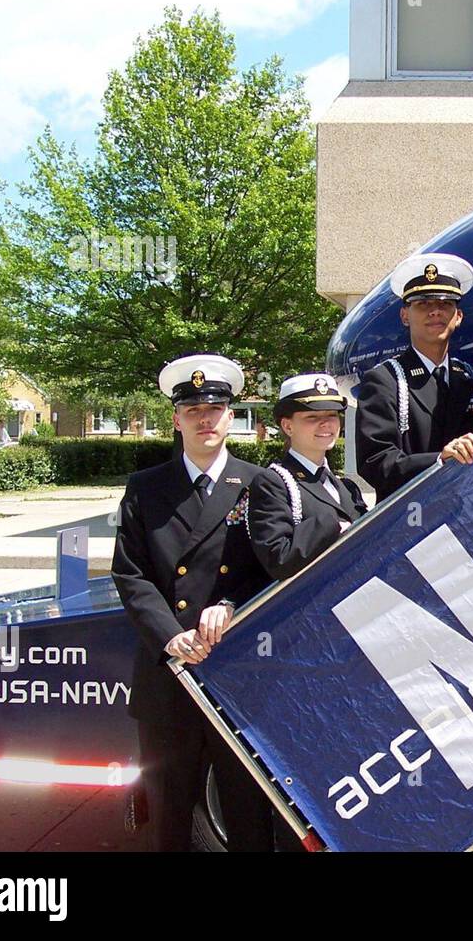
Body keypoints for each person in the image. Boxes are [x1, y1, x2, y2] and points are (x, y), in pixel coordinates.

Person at [111, 353, 275, 852]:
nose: (205, 419)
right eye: (193, 410)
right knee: (170, 817)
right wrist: (172, 637)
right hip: (170, 675)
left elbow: (274, 570)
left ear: (231, 416)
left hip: (236, 672)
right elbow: (131, 573)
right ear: (176, 418)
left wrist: (232, 603)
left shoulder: (259, 482)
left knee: (249, 814)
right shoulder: (145, 487)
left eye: (216, 409)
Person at [356, 253, 473, 500]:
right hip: (411, 518)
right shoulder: (386, 380)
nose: (435, 312)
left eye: (445, 304)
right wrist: (439, 460)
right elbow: (374, 462)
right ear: (405, 316)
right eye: (423, 304)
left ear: (458, 317)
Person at [247, 373, 368, 580]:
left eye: (331, 415)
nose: (326, 424)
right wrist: (334, 524)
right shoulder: (274, 483)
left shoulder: (346, 487)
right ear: (288, 426)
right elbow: (279, 559)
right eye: (312, 417)